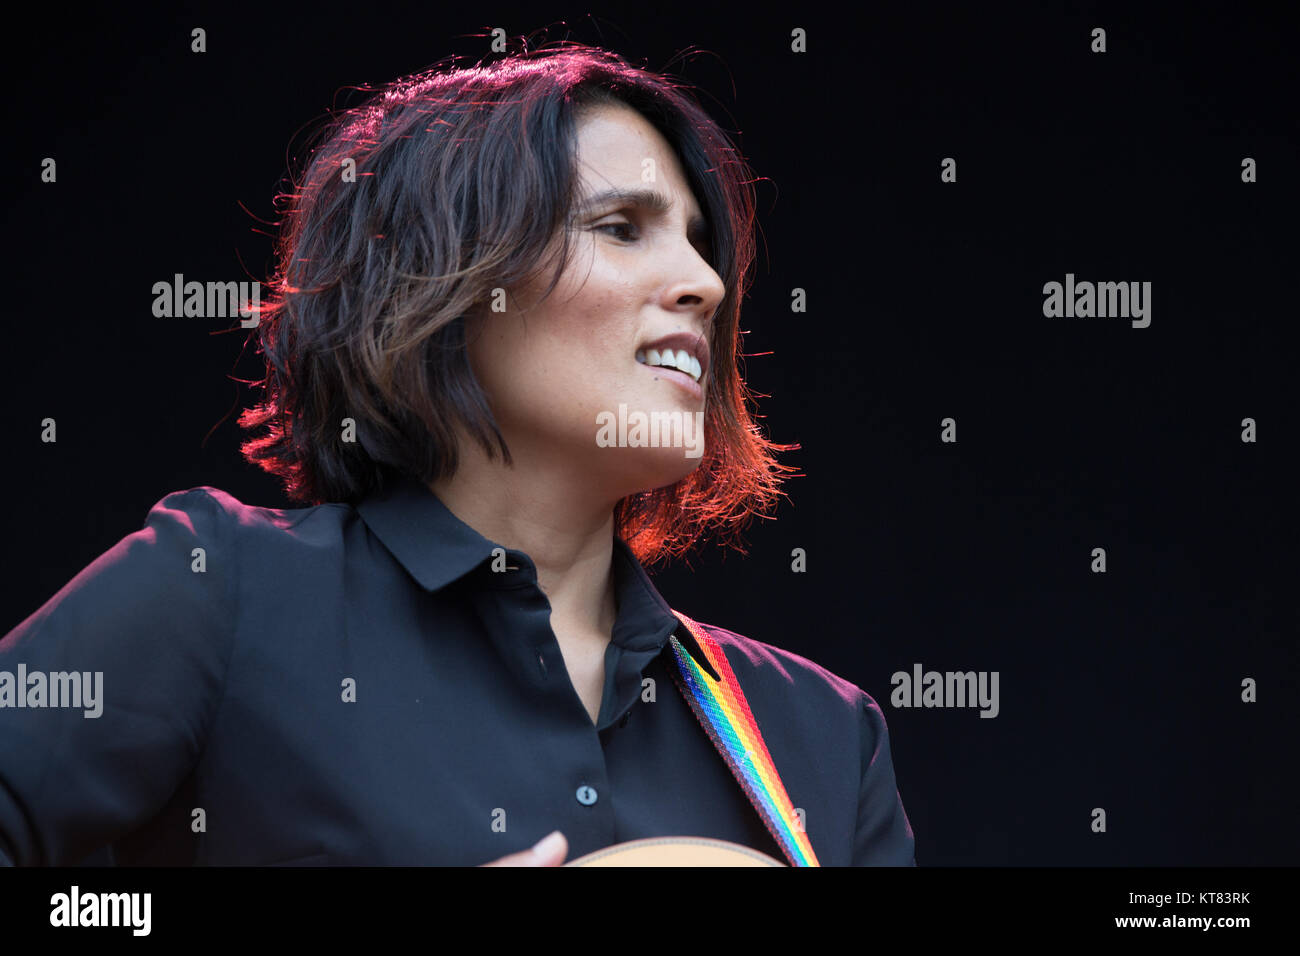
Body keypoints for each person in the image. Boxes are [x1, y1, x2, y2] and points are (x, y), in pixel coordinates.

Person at [0, 44, 915, 866]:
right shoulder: (219, 591)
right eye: (621, 226)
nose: (707, 283)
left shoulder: (822, 737)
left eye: (700, 242)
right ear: (453, 278)